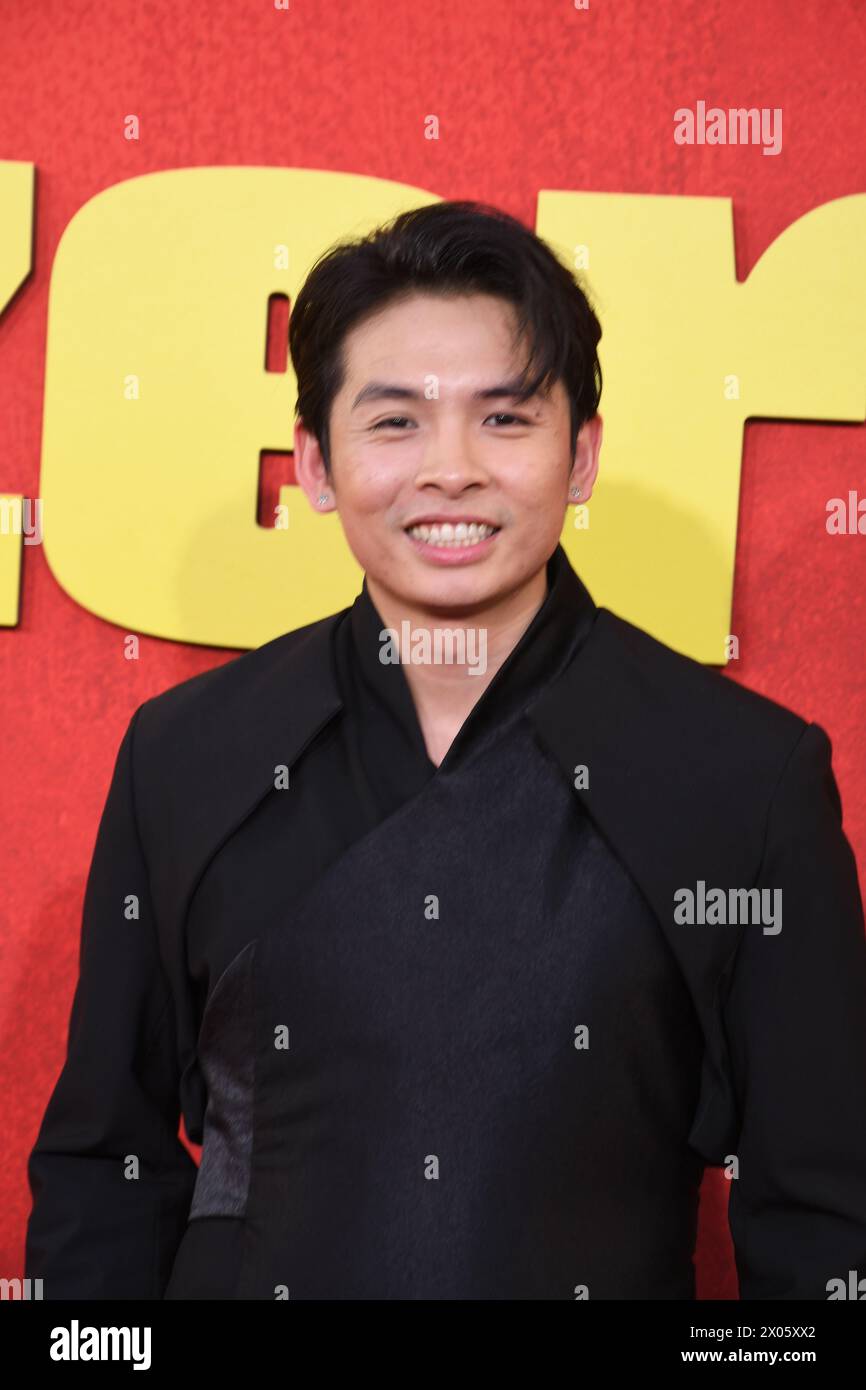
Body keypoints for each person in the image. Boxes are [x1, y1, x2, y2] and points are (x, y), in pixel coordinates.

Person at [25, 200, 866, 1300]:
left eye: (505, 419)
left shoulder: (741, 777)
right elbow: (106, 1167)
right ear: (315, 466)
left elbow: (825, 1217)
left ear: (581, 456)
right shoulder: (187, 755)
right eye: (394, 423)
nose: (451, 469)